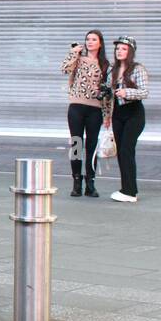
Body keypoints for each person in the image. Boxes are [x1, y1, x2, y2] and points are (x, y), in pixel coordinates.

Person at [62, 30, 112, 198]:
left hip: (95, 109)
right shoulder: (78, 59)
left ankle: (90, 182)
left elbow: (107, 92)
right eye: (88, 39)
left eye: (94, 39)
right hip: (76, 106)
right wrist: (73, 53)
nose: (90, 42)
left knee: (92, 146)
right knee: (76, 144)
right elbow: (64, 69)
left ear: (100, 43)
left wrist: (107, 114)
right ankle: (76, 181)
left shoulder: (105, 65)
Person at [110, 35, 150, 203]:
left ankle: (130, 192)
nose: (120, 51)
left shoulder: (137, 69)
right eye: (118, 48)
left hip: (134, 113)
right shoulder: (113, 69)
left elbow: (144, 92)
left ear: (131, 51)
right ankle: (127, 188)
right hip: (117, 113)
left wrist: (127, 92)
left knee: (127, 150)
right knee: (122, 152)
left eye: (124, 48)